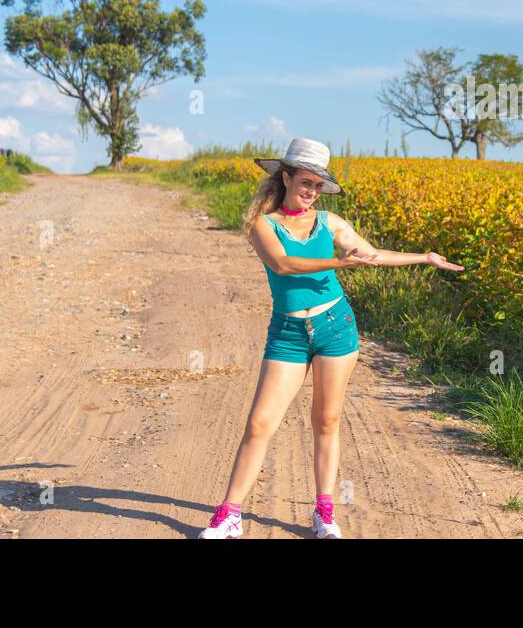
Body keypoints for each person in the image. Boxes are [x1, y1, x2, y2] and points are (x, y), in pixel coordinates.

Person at [197, 137, 464, 539]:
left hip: (335, 328)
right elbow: (285, 265)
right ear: (285, 177)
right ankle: (229, 514)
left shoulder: (332, 223)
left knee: (326, 420)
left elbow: (373, 254)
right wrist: (339, 262)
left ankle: (324, 514)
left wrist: (423, 258)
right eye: (305, 182)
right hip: (288, 333)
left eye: (318, 186)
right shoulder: (262, 225)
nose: (311, 192)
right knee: (259, 424)